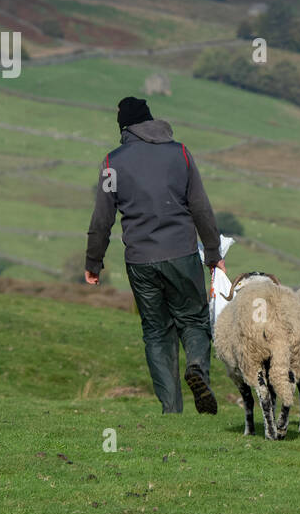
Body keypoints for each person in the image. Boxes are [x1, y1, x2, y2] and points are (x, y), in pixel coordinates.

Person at [84, 97, 223, 415]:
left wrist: (94, 263)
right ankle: (198, 367)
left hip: (140, 261)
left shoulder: (112, 163)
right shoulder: (181, 154)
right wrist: (213, 253)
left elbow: (101, 220)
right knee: (194, 320)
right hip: (182, 254)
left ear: (125, 128)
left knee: (157, 332)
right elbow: (200, 207)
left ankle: (171, 410)